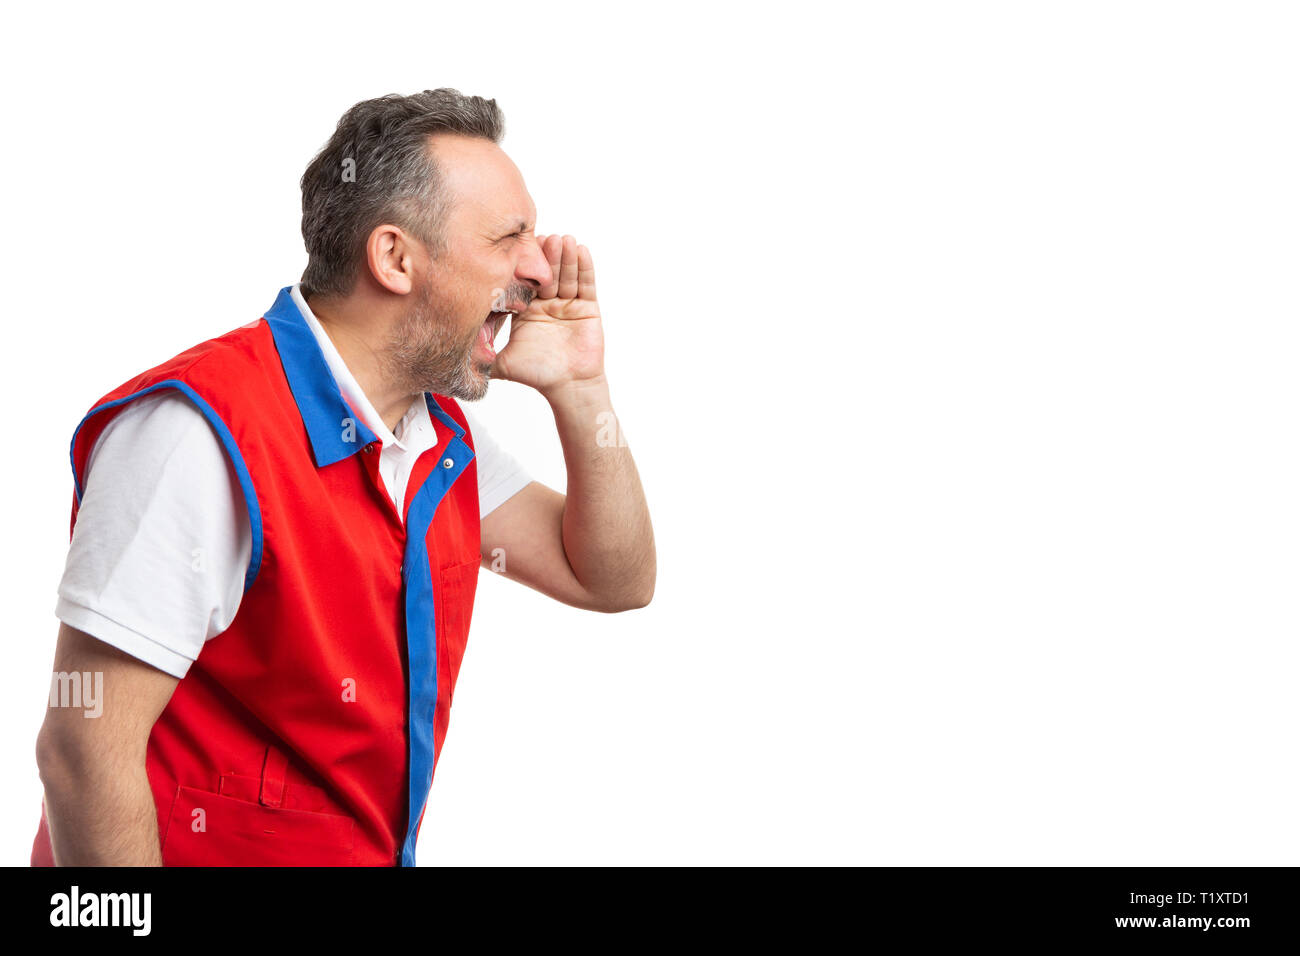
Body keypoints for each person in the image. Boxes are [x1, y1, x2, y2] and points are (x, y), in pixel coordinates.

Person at [31, 88, 656, 866]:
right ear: (395, 258)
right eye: (509, 237)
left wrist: (581, 388)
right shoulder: (198, 434)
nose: (540, 264)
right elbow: (81, 751)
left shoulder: (436, 438)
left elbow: (611, 579)